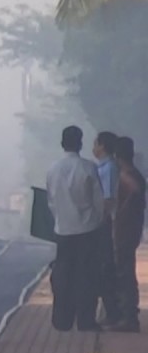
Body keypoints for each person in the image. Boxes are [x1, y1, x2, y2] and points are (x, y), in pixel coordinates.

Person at [45, 126, 105, 332]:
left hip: (63, 231)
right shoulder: (88, 168)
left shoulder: (52, 169)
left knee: (63, 277)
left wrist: (60, 220)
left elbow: (51, 201)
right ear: (80, 143)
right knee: (86, 277)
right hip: (87, 231)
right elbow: (99, 203)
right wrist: (97, 223)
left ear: (62, 143)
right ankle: (86, 321)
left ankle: (62, 321)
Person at [110, 136, 145, 332]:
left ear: (117, 155)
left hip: (125, 230)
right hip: (131, 230)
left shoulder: (127, 175)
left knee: (124, 273)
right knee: (126, 272)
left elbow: (133, 192)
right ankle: (128, 314)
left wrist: (119, 213)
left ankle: (128, 317)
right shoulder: (135, 174)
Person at [93, 131, 121, 324]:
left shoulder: (109, 168)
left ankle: (112, 313)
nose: (93, 147)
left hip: (104, 223)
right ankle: (110, 311)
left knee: (106, 268)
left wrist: (100, 222)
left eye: (95, 143)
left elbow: (109, 198)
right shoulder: (103, 167)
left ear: (102, 145)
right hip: (103, 223)